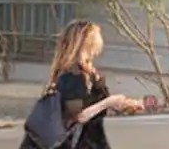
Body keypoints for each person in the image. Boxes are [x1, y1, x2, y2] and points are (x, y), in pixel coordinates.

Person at [23, 20, 143, 149]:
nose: (100, 39)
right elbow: (78, 116)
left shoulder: (88, 73)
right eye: (96, 35)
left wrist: (125, 104)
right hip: (79, 143)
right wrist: (109, 102)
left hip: (89, 140)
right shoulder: (73, 75)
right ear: (86, 41)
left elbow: (94, 105)